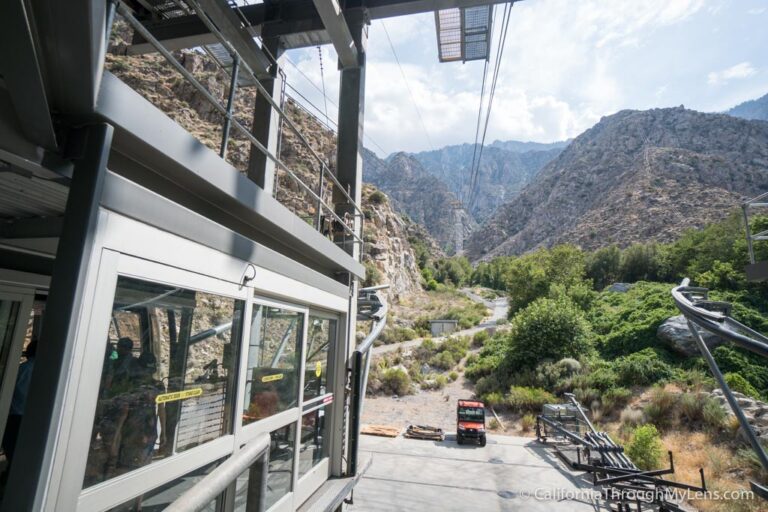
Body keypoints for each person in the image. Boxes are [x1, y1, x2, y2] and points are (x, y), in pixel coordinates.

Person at [1, 338, 37, 464]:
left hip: (13, 417)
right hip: (33, 420)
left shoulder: (19, 370)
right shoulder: (45, 373)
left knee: (13, 454)